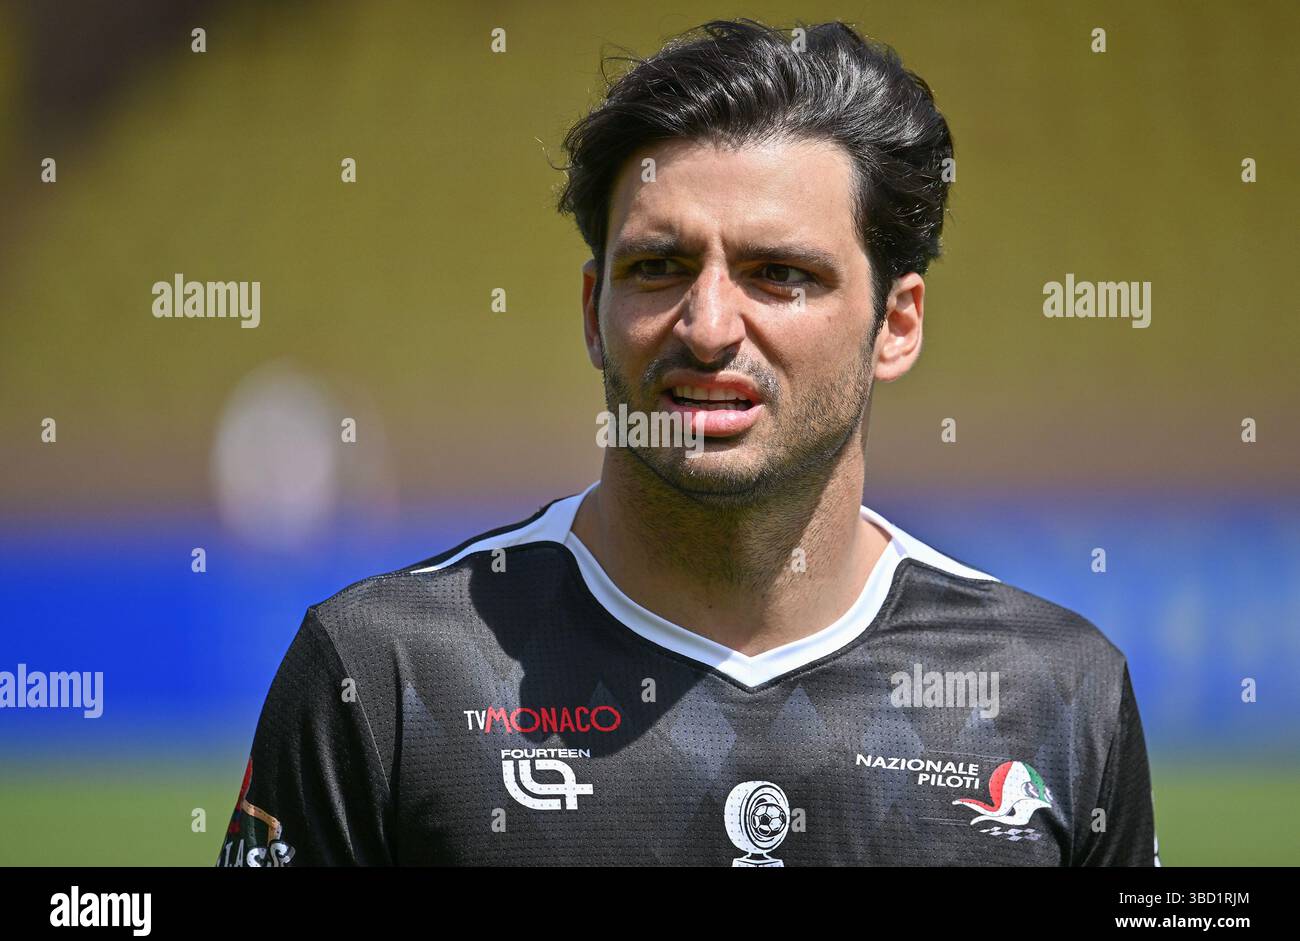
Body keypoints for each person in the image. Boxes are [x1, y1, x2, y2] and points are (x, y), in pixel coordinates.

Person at [218, 18, 1158, 866]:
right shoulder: (385, 675)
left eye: (779, 273)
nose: (707, 325)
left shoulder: (1056, 696)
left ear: (896, 324)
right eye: (659, 266)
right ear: (595, 312)